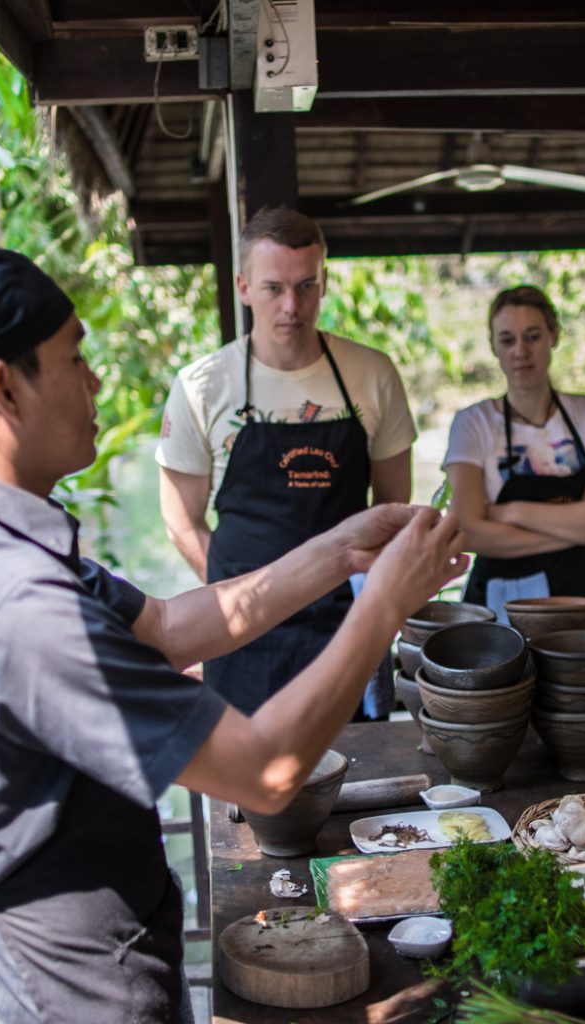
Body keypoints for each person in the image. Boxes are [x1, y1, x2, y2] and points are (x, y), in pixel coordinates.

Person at [0, 248, 468, 1022]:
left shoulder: (34, 551)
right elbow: (267, 772)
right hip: (72, 996)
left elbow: (175, 625)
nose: (95, 380)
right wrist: (380, 602)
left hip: (119, 957)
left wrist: (339, 551)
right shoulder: (24, 604)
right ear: (4, 386)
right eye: (74, 356)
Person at [156, 206, 416, 715]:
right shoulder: (199, 386)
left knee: (365, 771)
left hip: (349, 626)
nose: (291, 305)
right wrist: (241, 605)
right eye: (273, 288)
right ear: (243, 286)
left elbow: (392, 509)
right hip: (242, 635)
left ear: (324, 283)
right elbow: (180, 521)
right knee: (252, 787)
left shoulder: (374, 374)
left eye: (306, 286)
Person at [442, 284, 585, 629]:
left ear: (553, 336)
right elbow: (467, 530)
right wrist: (579, 526)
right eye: (507, 340)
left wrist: (509, 512)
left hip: (581, 596)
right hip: (502, 604)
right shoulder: (473, 424)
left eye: (533, 336)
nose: (520, 351)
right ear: (493, 347)